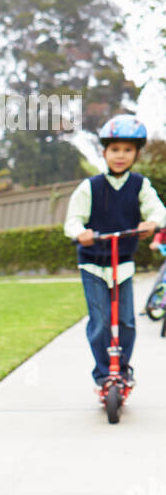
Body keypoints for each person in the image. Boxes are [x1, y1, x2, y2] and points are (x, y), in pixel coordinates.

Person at [63, 114, 166, 389]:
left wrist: (152, 222)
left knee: (127, 322)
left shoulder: (140, 185)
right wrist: (80, 233)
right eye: (115, 149)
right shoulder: (90, 187)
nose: (121, 156)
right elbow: (72, 221)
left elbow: (158, 210)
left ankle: (122, 370)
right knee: (100, 322)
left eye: (128, 150)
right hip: (93, 264)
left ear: (137, 153)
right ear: (104, 152)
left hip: (123, 263)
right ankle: (103, 374)